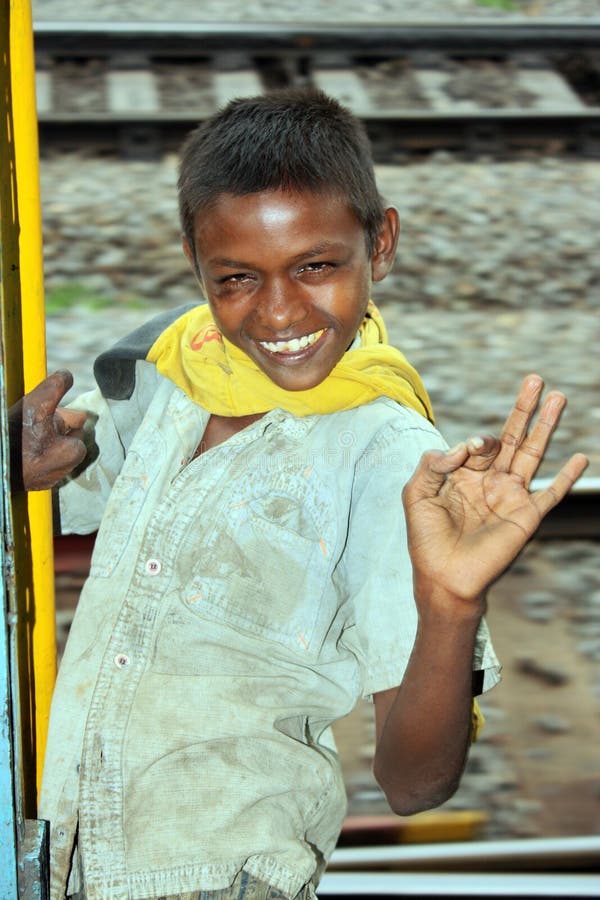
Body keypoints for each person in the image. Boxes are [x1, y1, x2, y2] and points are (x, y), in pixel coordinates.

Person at [12, 88, 587, 900]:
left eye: (315, 266)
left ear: (379, 243)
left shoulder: (393, 461)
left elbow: (415, 783)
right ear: (195, 262)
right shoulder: (171, 378)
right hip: (68, 866)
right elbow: (65, 485)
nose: (280, 312)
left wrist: (451, 603)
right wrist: (28, 465)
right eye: (237, 277)